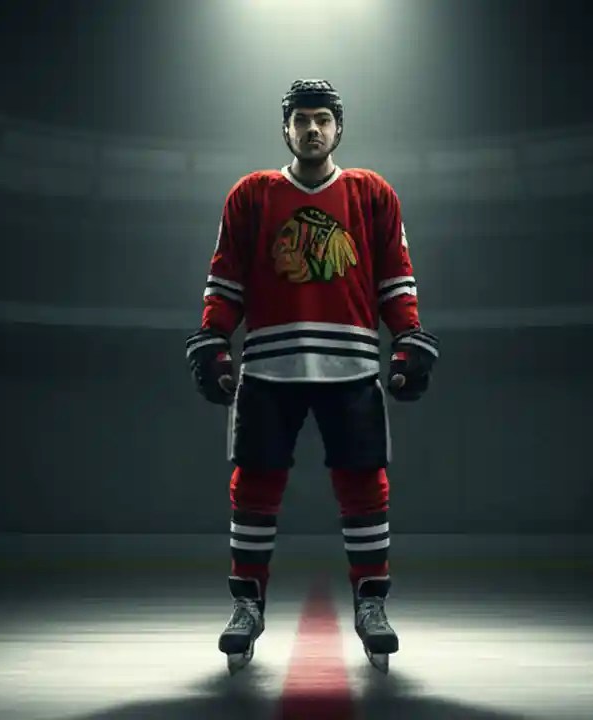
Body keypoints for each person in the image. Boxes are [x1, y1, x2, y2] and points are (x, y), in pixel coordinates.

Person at [184, 79, 439, 672]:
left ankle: (371, 603)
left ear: (339, 128)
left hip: (350, 365)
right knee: (255, 484)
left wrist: (408, 337)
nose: (313, 130)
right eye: (303, 120)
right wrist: (214, 337)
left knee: (364, 484)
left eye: (323, 119)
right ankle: (246, 604)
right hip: (269, 367)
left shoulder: (372, 194)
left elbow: (394, 278)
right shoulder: (251, 195)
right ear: (287, 130)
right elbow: (227, 280)